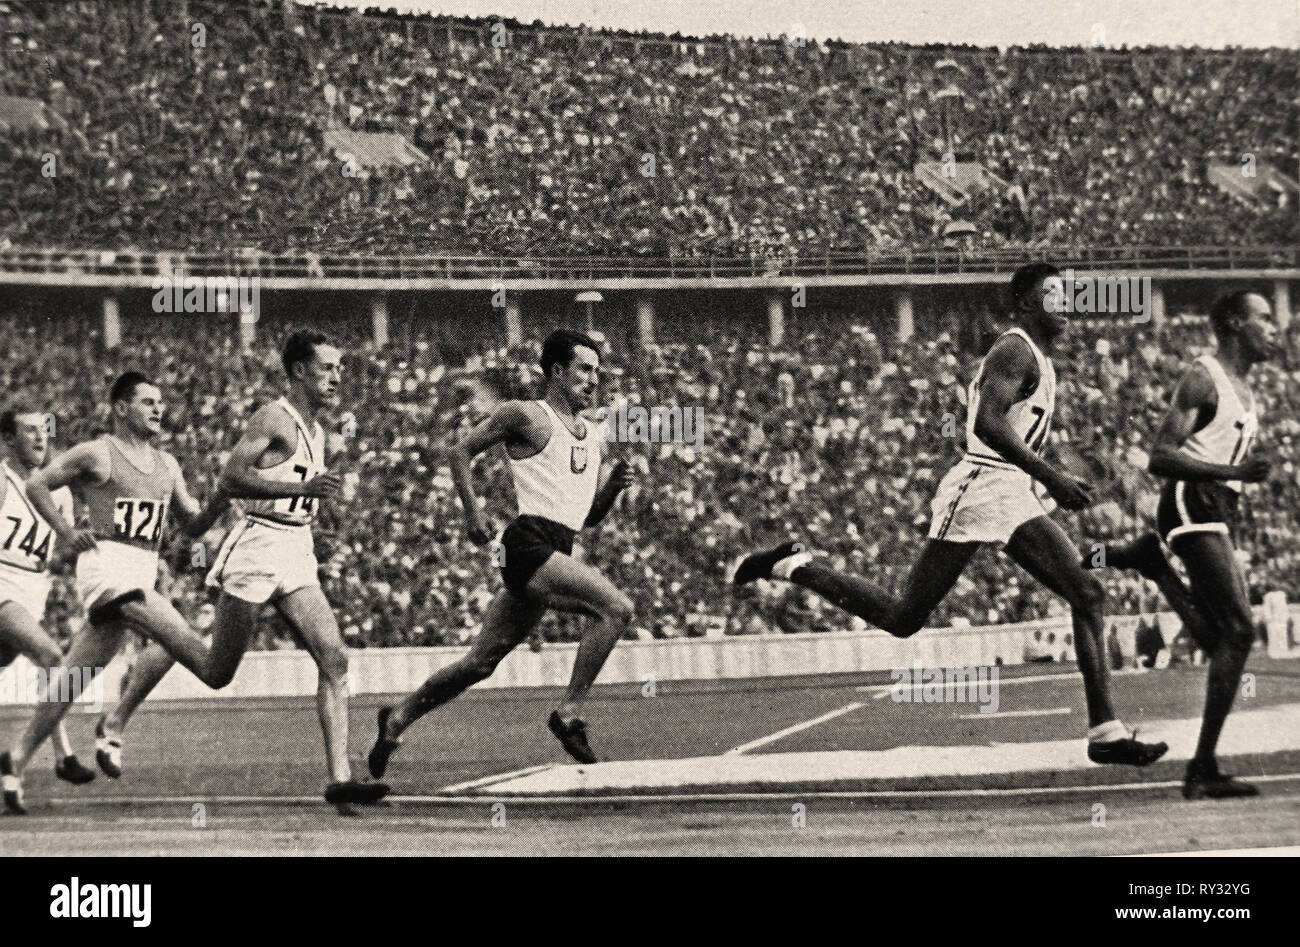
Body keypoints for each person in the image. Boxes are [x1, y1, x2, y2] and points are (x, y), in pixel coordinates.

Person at [731, 263, 1168, 768]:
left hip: (1005, 488)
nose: (1067, 302)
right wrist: (1050, 476)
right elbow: (986, 425)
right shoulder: (1016, 348)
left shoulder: (1041, 360)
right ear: (1027, 302)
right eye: (1054, 294)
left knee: (1069, 594)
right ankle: (792, 566)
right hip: (983, 485)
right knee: (919, 616)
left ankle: (791, 565)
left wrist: (1041, 480)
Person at [90, 332, 388, 806]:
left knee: (334, 659)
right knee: (215, 670)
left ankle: (339, 778)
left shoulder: (316, 430)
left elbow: (295, 487)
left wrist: (310, 507)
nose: (337, 378)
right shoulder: (275, 416)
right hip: (258, 544)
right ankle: (151, 638)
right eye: (327, 368)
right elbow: (232, 477)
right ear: (297, 372)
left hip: (296, 545)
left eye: (340, 370)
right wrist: (304, 492)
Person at [368, 329, 635, 778]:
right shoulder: (526, 415)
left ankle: (396, 719)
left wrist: (611, 487)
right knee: (616, 608)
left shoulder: (593, 436)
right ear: (555, 371)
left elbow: (585, 518)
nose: (594, 379)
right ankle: (568, 713)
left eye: (598, 372)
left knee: (480, 663)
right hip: (526, 543)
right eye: (584, 369)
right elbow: (460, 449)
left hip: (556, 546)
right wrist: (472, 513)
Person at [2, 372, 228, 814]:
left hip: (141, 572)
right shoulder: (98, 453)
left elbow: (194, 526)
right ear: (122, 408)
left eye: (160, 402)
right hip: (107, 571)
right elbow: (36, 484)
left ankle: (16, 759)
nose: (158, 409)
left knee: (71, 678)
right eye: (147, 402)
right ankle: (115, 723)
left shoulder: (168, 465)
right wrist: (66, 532)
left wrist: (222, 498)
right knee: (201, 657)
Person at [1091, 291, 1278, 799]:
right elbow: (1159, 456)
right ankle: (1201, 769)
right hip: (1191, 500)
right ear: (1235, 324)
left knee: (1227, 640)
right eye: (1264, 318)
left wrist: (1234, 480)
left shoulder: (1245, 388)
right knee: (1239, 632)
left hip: (1215, 506)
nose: (1275, 327)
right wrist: (1234, 472)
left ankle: (1153, 564)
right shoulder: (1205, 376)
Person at [0, 404, 96, 787]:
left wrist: (85, 540)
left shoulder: (57, 494)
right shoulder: (3, 481)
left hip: (32, 591)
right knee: (53, 657)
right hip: (2, 586)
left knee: (46, 664)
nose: (41, 437)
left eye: (44, 429)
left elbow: (56, 554)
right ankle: (64, 756)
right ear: (8, 440)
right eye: (29, 430)